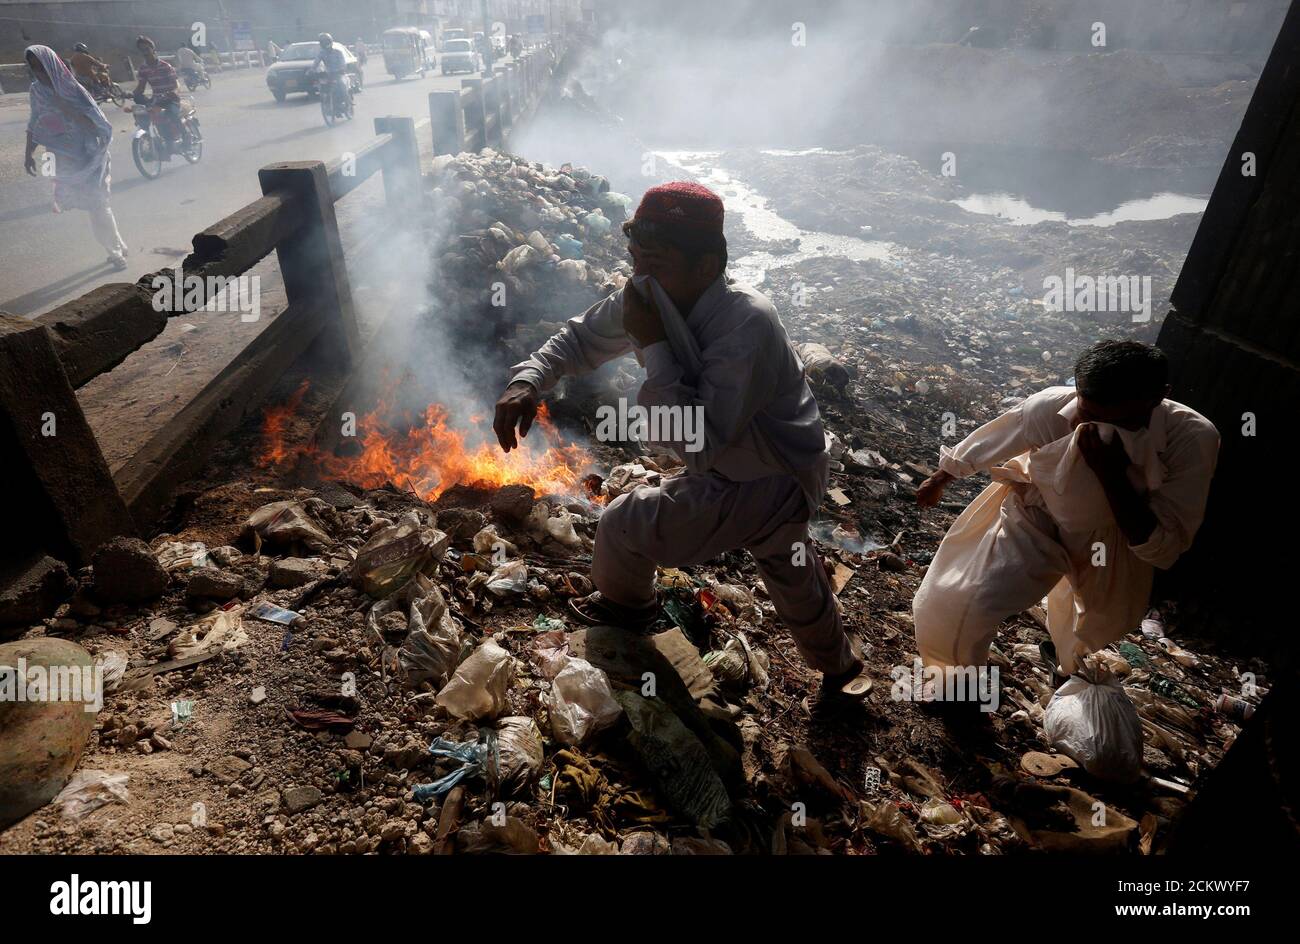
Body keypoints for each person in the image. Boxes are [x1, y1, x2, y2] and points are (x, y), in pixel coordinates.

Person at [493, 182, 870, 709]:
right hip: (744, 465)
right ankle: (844, 669)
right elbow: (580, 339)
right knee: (789, 566)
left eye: (658, 264)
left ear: (707, 265)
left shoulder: (746, 322)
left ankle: (630, 614)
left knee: (625, 525)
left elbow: (697, 444)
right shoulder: (651, 295)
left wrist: (651, 342)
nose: (640, 276)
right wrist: (529, 379)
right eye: (636, 260)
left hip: (772, 473)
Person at [912, 340, 1219, 682]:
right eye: (1088, 415)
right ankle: (957, 683)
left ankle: (1068, 670)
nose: (1096, 428)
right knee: (968, 598)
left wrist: (1111, 474)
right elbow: (999, 436)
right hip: (1036, 510)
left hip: (1114, 536)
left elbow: (1162, 545)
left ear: (1158, 398)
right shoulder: (1053, 407)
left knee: (1095, 624)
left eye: (1116, 420)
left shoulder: (1191, 439)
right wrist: (940, 478)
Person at [22, 45, 128, 270]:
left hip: (90, 154)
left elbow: (97, 125)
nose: (38, 71)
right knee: (94, 204)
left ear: (51, 64)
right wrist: (28, 153)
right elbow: (34, 120)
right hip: (65, 158)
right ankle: (117, 244)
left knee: (98, 203)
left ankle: (115, 252)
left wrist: (67, 110)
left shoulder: (72, 89)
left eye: (40, 65)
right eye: (33, 67)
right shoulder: (36, 91)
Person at [132, 36, 184, 143]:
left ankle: (185, 135)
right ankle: (164, 140)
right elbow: (140, 88)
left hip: (170, 99)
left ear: (153, 49)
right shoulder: (143, 69)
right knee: (147, 116)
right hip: (157, 100)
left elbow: (176, 85)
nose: (145, 52)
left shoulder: (165, 66)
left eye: (147, 49)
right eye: (142, 50)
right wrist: (130, 94)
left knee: (172, 114)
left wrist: (173, 93)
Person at [311, 33, 350, 111]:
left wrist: (342, 69)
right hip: (329, 75)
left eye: (326, 41)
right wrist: (312, 70)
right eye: (323, 42)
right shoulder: (321, 53)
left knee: (342, 86)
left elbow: (343, 63)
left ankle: (347, 103)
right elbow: (316, 62)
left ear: (330, 41)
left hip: (339, 74)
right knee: (323, 87)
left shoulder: (338, 52)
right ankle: (327, 103)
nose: (325, 44)